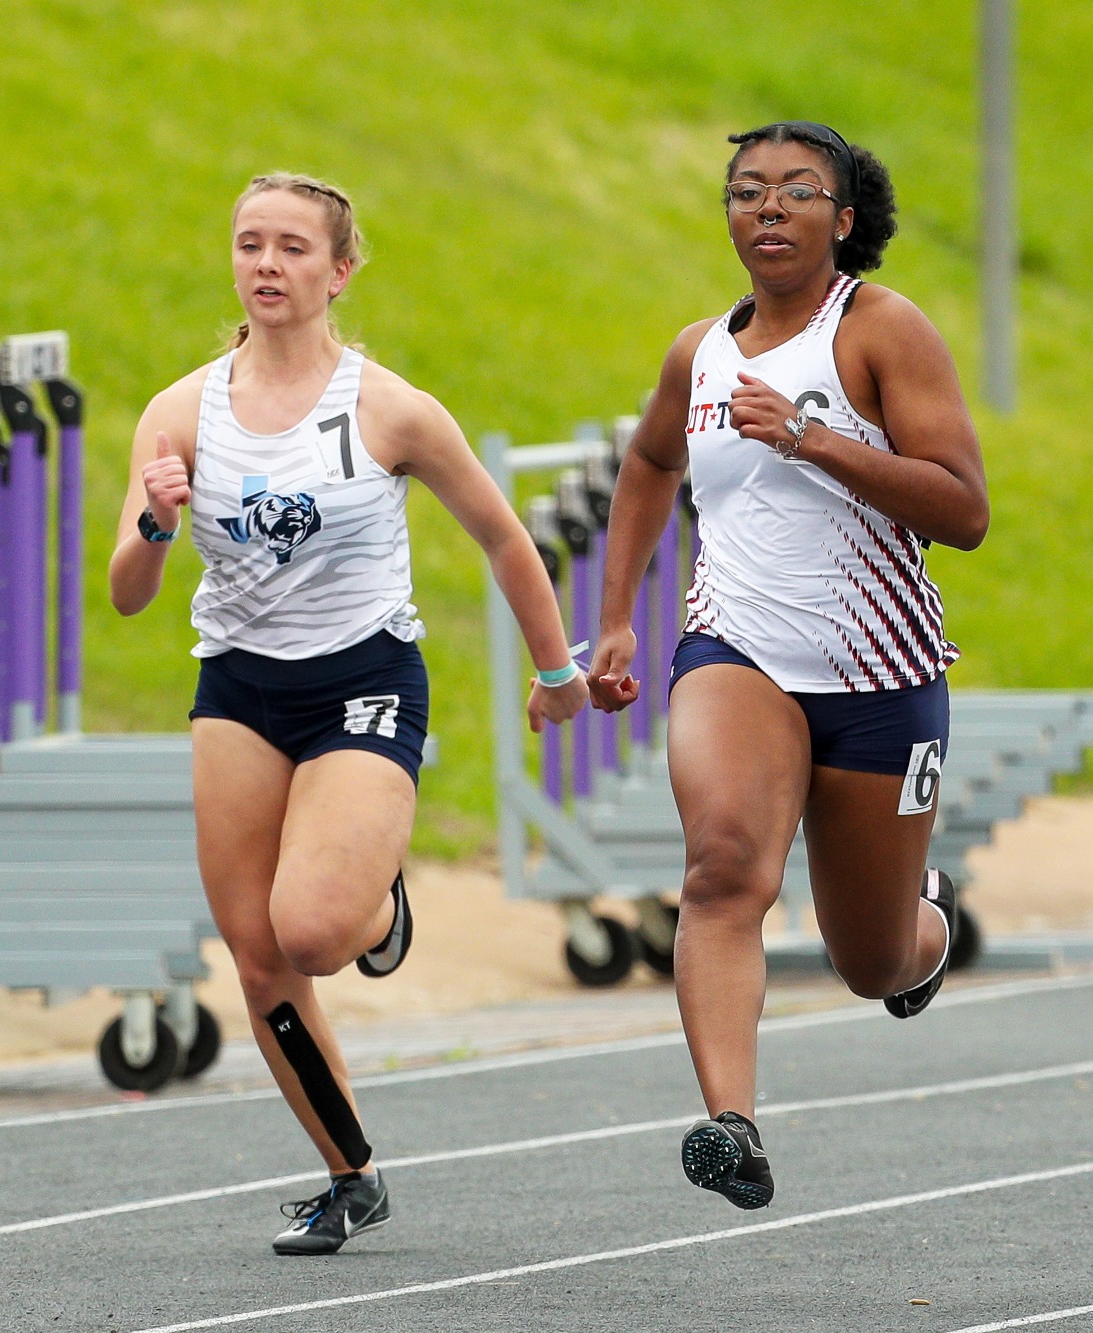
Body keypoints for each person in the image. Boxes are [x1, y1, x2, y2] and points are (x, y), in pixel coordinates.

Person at [110, 172, 587, 1254]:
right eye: (248, 245)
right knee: (257, 952)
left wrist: (556, 670)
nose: (266, 264)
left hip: (363, 676)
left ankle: (377, 899)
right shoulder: (181, 409)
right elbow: (128, 591)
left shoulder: (390, 409)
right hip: (237, 685)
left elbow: (505, 538)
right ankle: (348, 1173)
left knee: (314, 930)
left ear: (340, 268)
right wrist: (151, 518)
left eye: (290, 247)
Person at [587, 123, 988, 1210]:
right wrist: (618, 616)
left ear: (843, 218)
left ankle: (929, 921)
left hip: (878, 675)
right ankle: (731, 1123)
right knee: (722, 870)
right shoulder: (696, 352)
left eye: (796, 192)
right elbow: (651, 460)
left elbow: (962, 510)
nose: (767, 208)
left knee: (869, 961)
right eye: (746, 191)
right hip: (736, 652)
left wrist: (808, 436)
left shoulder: (881, 332)